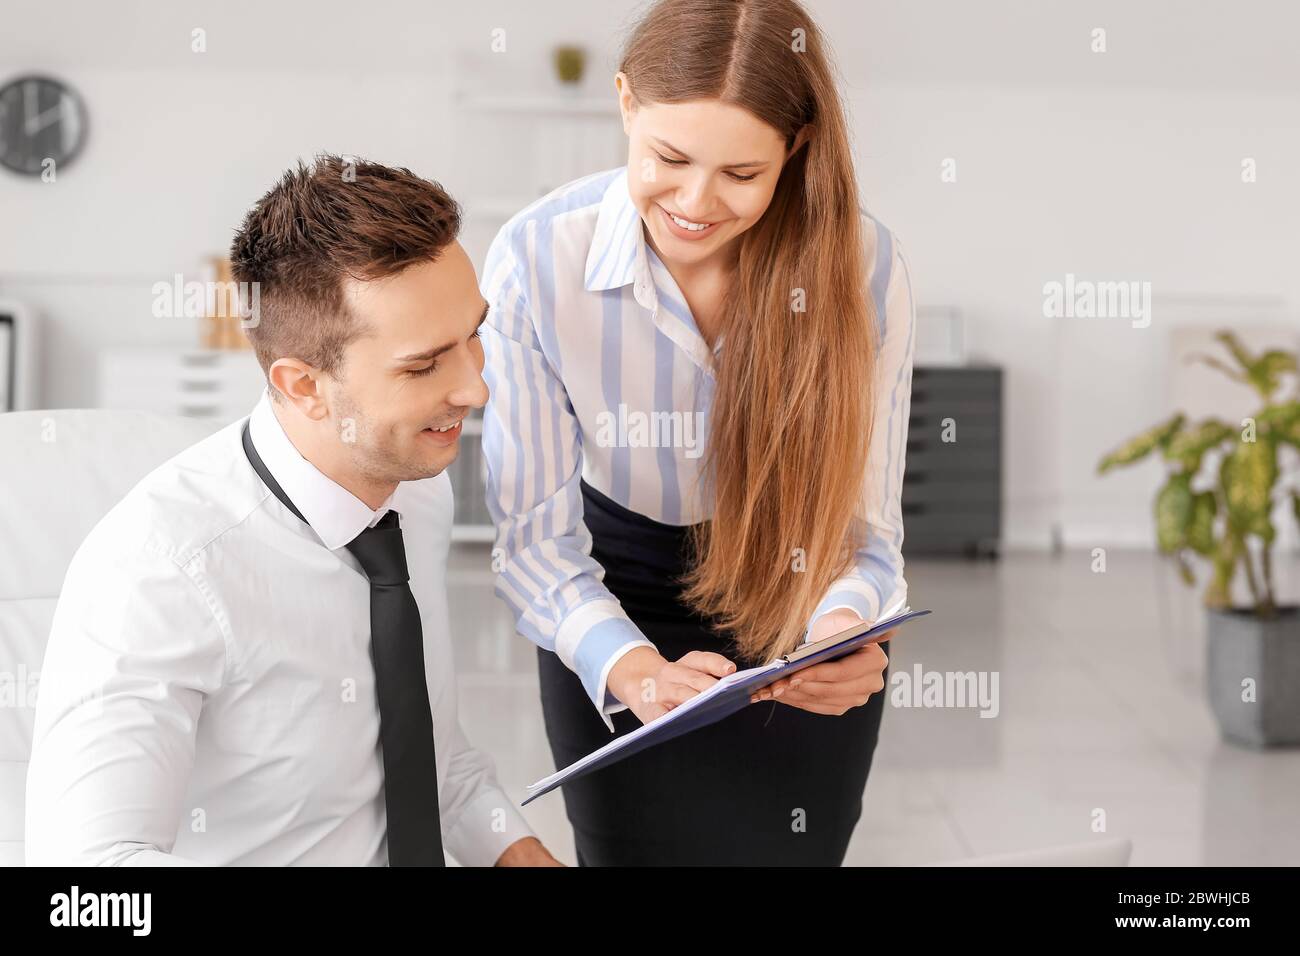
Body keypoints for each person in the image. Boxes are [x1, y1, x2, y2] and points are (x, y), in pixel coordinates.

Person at [25, 155, 559, 867]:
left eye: (475, 337)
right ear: (304, 386)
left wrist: (521, 854)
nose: (477, 390)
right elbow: (87, 885)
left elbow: (432, 762)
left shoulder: (415, 493)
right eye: (425, 364)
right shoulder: (161, 572)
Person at [479, 0, 916, 865]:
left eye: (741, 174)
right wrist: (633, 671)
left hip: (795, 599)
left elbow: (867, 530)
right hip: (612, 593)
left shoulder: (862, 268)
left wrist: (847, 632)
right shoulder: (535, 260)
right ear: (625, 104)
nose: (694, 202)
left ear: (795, 149)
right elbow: (531, 541)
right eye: (669, 158)